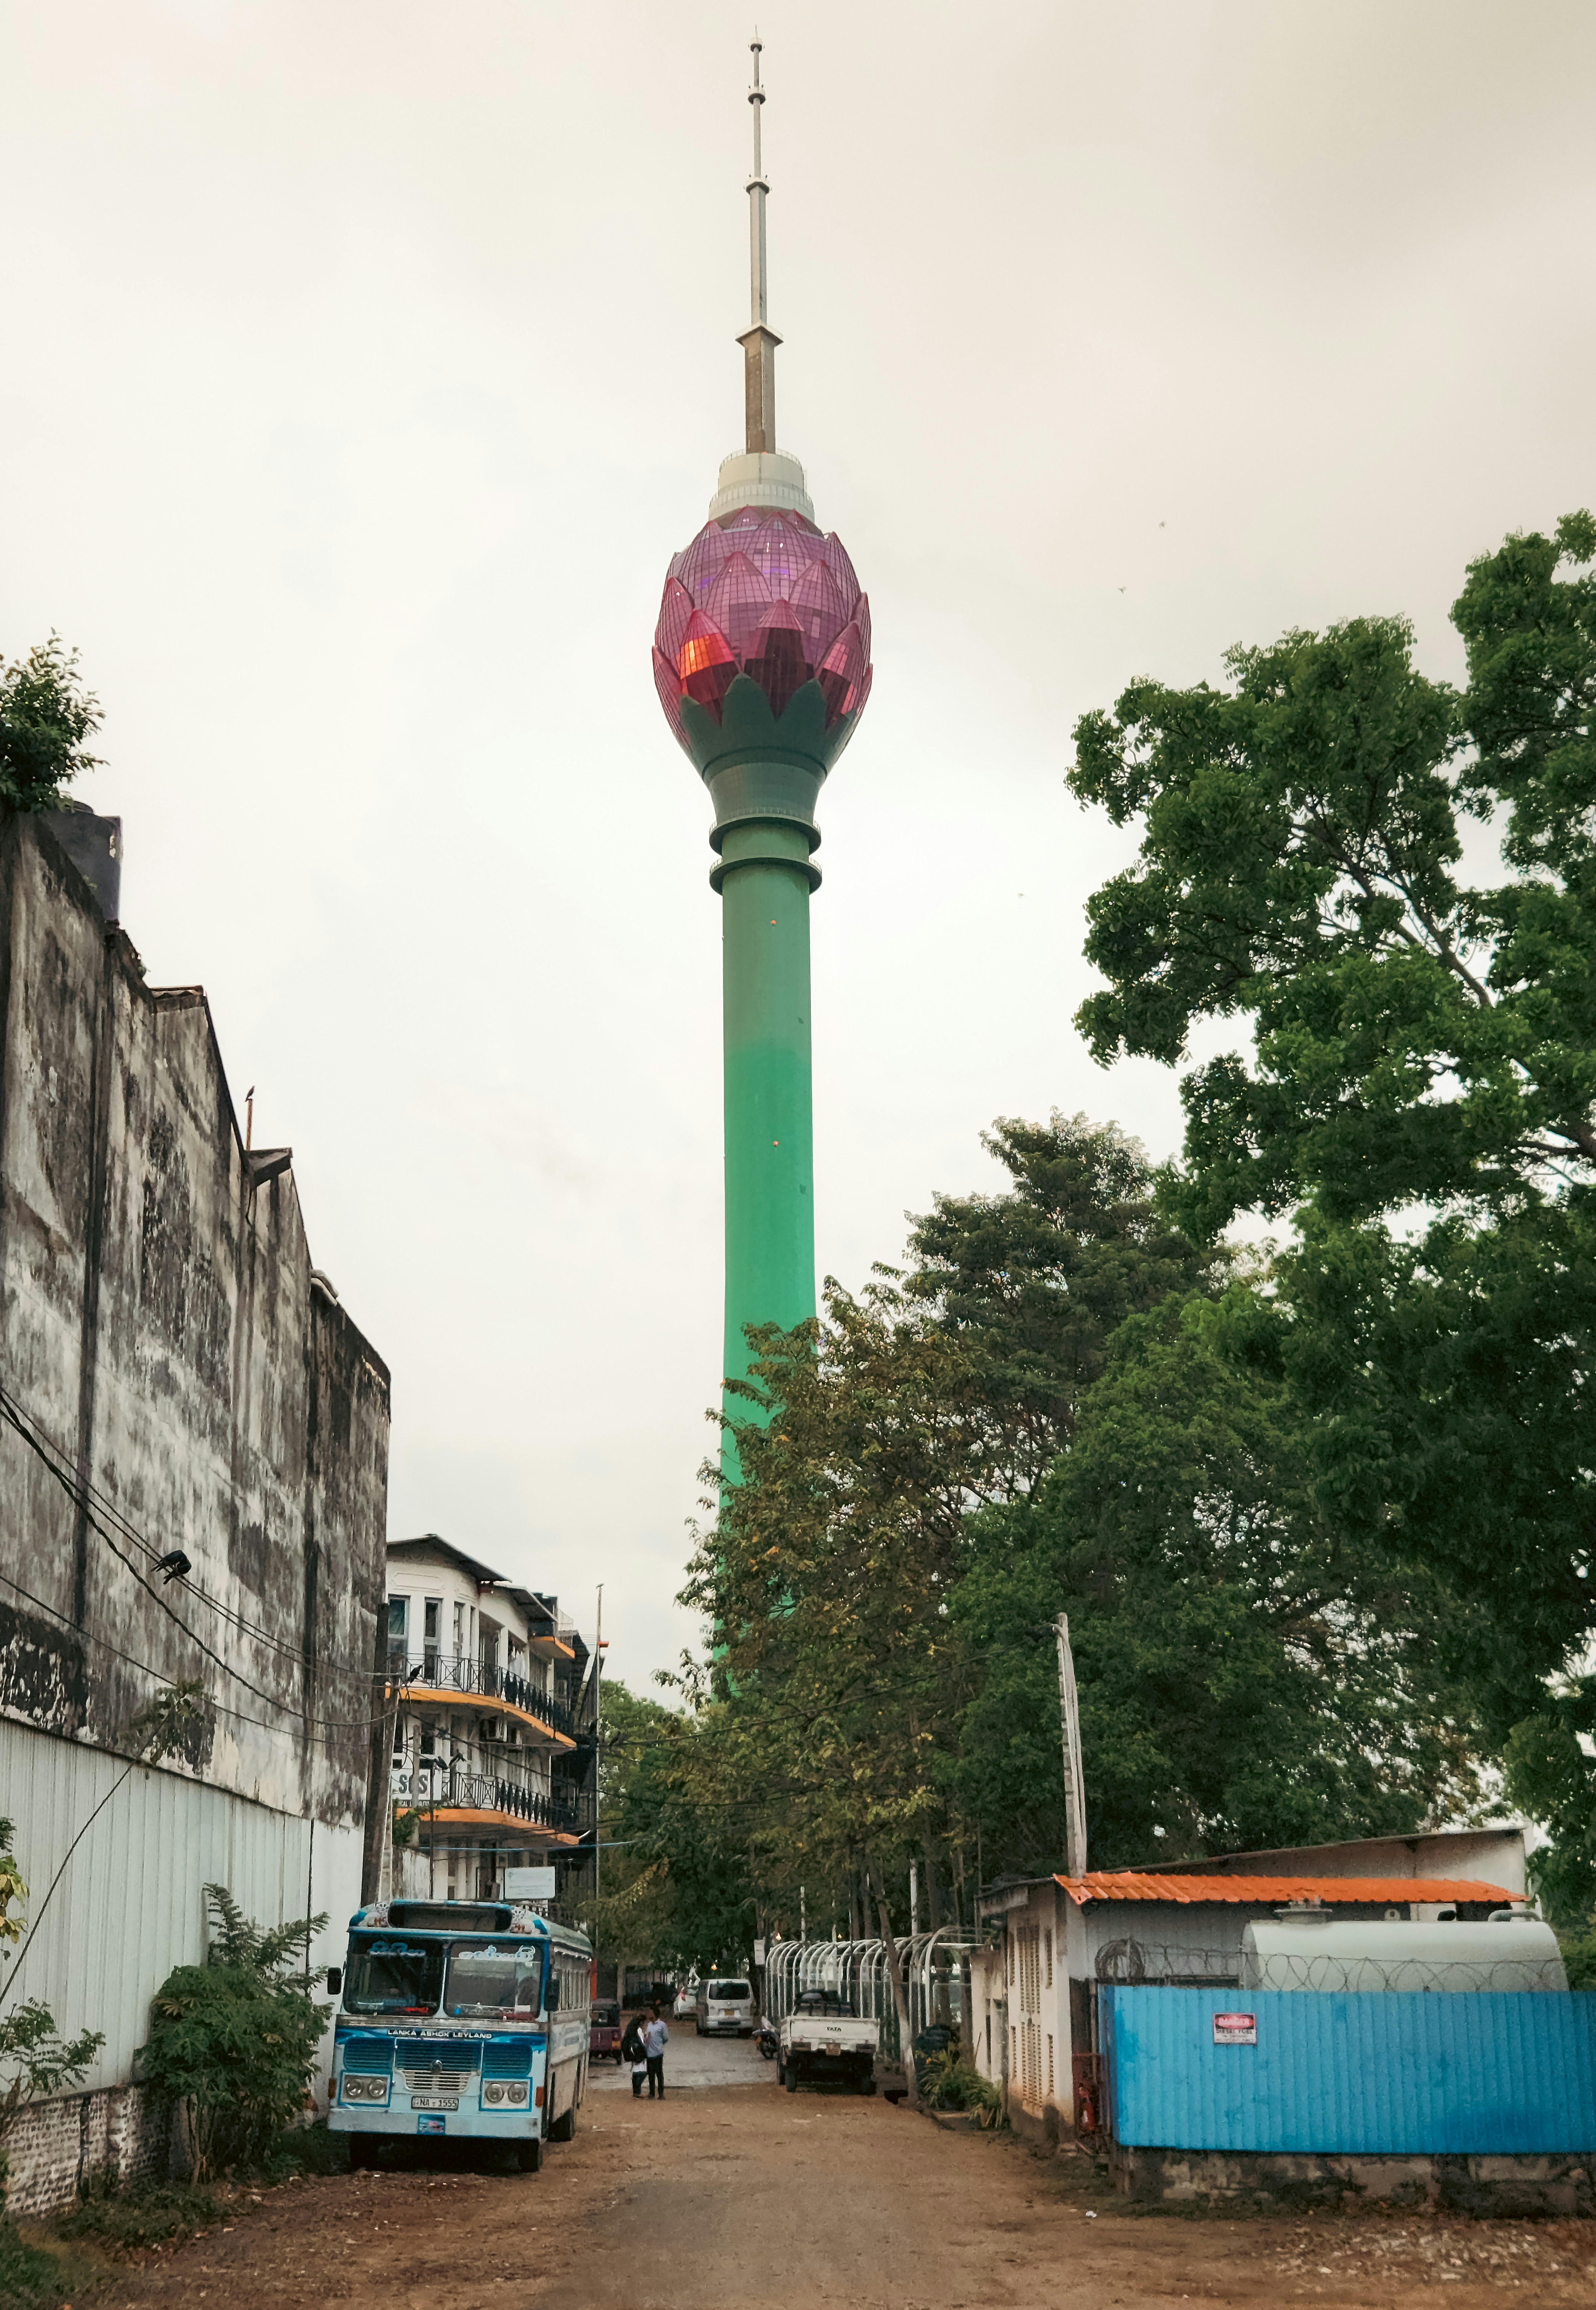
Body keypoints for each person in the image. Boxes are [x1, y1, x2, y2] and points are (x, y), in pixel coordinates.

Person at [642, 2002, 669, 2099]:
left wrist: (659, 2045)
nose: (648, 2014)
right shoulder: (649, 2025)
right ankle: (652, 2093)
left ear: (654, 2014)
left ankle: (661, 2094)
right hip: (649, 2053)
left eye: (650, 2012)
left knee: (659, 2074)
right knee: (651, 2075)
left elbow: (666, 2038)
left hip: (658, 2053)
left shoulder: (662, 2025)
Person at [622, 2010, 647, 2099]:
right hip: (639, 2053)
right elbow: (642, 2042)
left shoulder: (631, 2030)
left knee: (636, 2071)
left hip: (633, 2053)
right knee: (644, 2072)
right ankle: (638, 2091)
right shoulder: (639, 2030)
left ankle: (636, 2092)